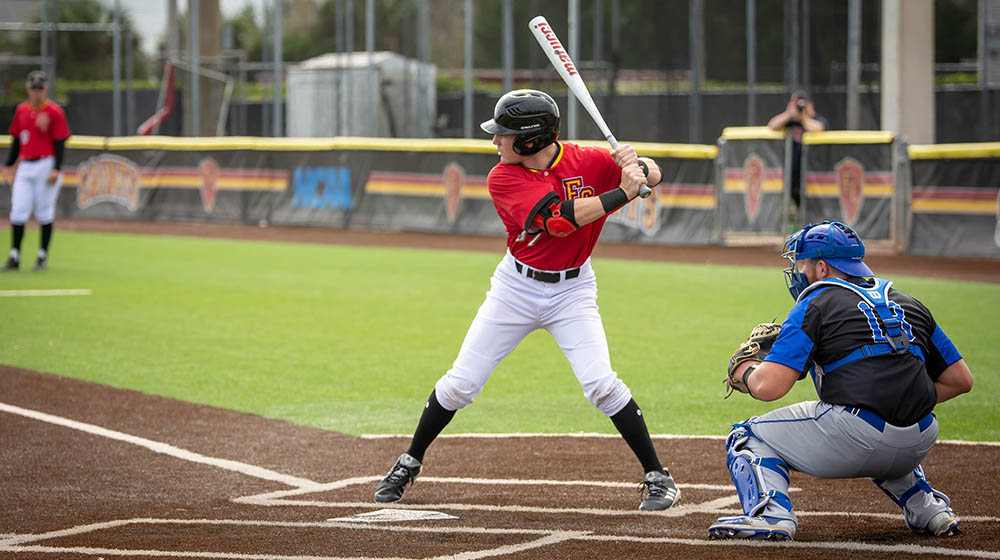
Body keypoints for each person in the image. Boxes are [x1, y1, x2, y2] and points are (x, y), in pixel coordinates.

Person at [373, 89, 681, 511]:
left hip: (572, 290)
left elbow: (655, 174)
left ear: (531, 140)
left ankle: (658, 476)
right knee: (462, 382)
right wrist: (624, 192)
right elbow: (558, 222)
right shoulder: (503, 177)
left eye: (503, 135)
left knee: (601, 384)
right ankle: (409, 461)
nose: (495, 142)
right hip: (515, 290)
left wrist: (640, 166)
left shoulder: (588, 160)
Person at [710, 220, 973, 541]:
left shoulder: (814, 303)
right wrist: (904, 395)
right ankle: (930, 510)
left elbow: (769, 388)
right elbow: (961, 380)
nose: (798, 271)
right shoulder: (907, 301)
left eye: (802, 263)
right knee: (889, 426)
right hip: (921, 437)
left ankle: (771, 515)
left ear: (822, 267)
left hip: (855, 435)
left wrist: (744, 369)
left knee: (745, 437)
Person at [2, 70, 70, 272]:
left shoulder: (54, 111)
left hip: (45, 164)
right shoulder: (21, 110)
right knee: (18, 210)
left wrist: (56, 168)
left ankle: (42, 256)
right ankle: (14, 255)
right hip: (25, 164)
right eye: (33, 88)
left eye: (40, 88)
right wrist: (9, 164)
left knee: (44, 211)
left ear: (45, 89)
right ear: (28, 88)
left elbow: (60, 142)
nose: (36, 92)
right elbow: (16, 139)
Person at [767, 91, 827, 210]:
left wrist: (804, 117)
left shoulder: (817, 119)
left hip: (812, 168)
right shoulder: (790, 121)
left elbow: (818, 128)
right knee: (792, 192)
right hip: (791, 167)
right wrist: (789, 113)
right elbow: (772, 125)